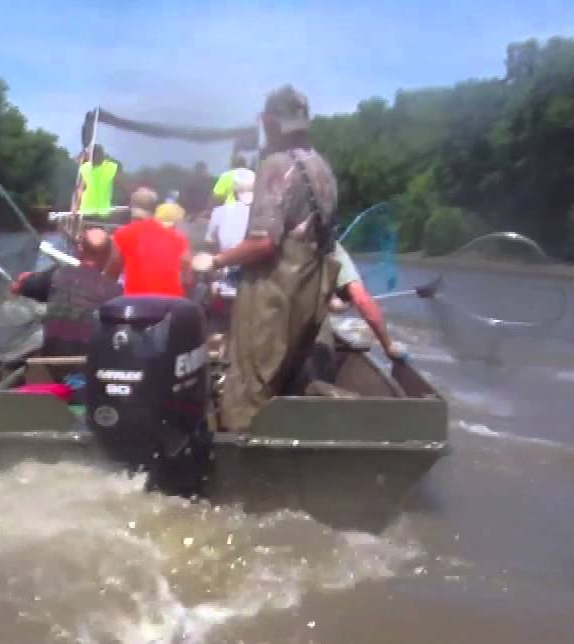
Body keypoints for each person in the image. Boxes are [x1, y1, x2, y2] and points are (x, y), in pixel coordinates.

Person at [192, 85, 405, 431]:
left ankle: (245, 449)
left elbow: (264, 244)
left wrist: (215, 261)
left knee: (250, 386)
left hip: (273, 295)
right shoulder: (323, 170)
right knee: (288, 373)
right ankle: (320, 418)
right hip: (309, 295)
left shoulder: (276, 166)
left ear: (270, 122)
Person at [11, 226, 123, 360]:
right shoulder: (115, 293)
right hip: (89, 365)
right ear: (107, 257)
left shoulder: (58, 275)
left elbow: (18, 287)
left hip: (52, 363)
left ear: (80, 250)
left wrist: (26, 280)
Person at [105, 187, 193, 297]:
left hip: (136, 300)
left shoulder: (123, 234)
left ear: (131, 207)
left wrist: (103, 287)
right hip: (172, 302)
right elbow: (187, 278)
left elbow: (113, 268)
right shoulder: (178, 237)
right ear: (155, 210)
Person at [203, 167, 256, 333]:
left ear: (234, 190)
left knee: (219, 331)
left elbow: (210, 244)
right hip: (254, 287)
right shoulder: (263, 215)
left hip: (225, 285)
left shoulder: (219, 213)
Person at [73, 144, 121, 218]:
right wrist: (75, 206)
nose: (92, 158)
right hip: (86, 212)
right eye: (91, 155)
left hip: (103, 213)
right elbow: (80, 189)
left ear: (101, 155)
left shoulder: (111, 167)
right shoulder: (85, 168)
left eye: (94, 155)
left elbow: (122, 184)